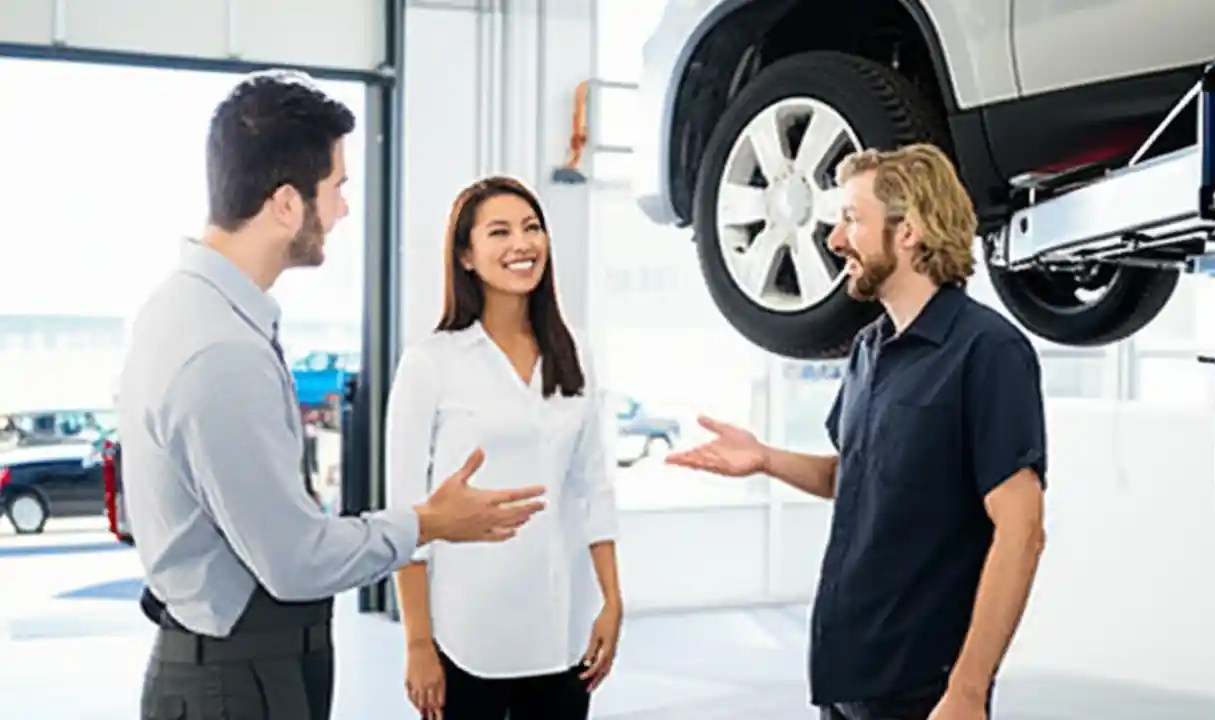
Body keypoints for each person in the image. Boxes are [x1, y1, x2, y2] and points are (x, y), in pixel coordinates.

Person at [116, 71, 547, 720]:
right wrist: (429, 522)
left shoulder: (191, 312)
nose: (344, 208)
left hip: (241, 665)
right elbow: (294, 560)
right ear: (287, 204)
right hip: (236, 683)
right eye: (337, 187)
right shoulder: (219, 349)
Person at [668, 143, 1047, 720]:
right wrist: (764, 457)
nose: (835, 239)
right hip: (847, 674)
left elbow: (1021, 530)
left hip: (924, 687)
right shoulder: (870, 348)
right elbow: (850, 476)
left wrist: (969, 690)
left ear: (910, 232)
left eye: (852, 219)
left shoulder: (988, 351)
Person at [386, 175, 622, 720]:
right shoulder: (432, 362)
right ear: (466, 255)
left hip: (563, 630)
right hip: (469, 636)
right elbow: (405, 515)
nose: (523, 244)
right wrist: (418, 643)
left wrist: (611, 600)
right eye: (500, 232)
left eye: (532, 228)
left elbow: (592, 486)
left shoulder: (574, 349)